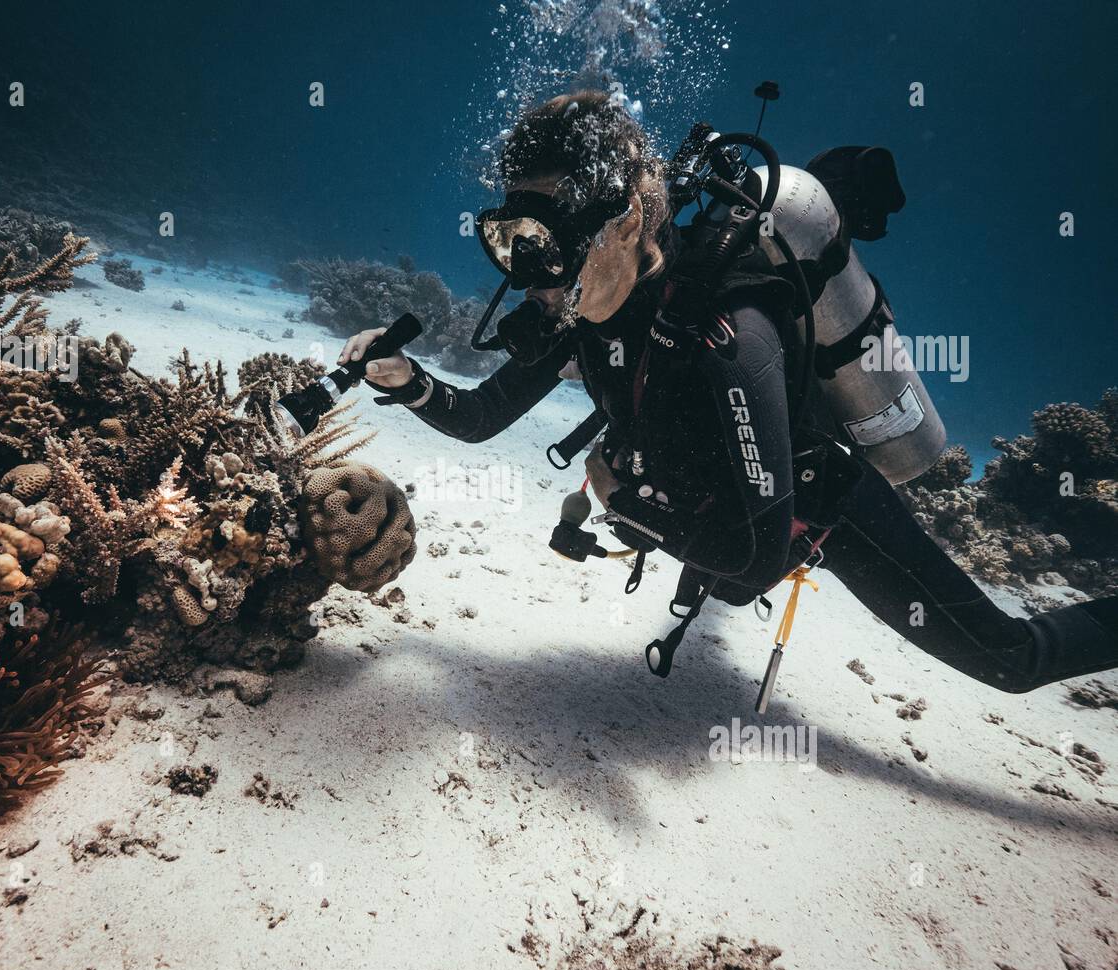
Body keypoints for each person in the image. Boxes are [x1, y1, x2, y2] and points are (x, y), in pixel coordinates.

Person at [338, 91, 1118, 693]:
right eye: (508, 242)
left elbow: (749, 564)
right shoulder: (581, 303)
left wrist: (626, 500)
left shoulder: (727, 333)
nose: (523, 274)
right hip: (715, 490)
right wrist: (410, 385)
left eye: (539, 245)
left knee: (1012, 659)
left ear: (621, 223)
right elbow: (480, 416)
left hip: (819, 503)